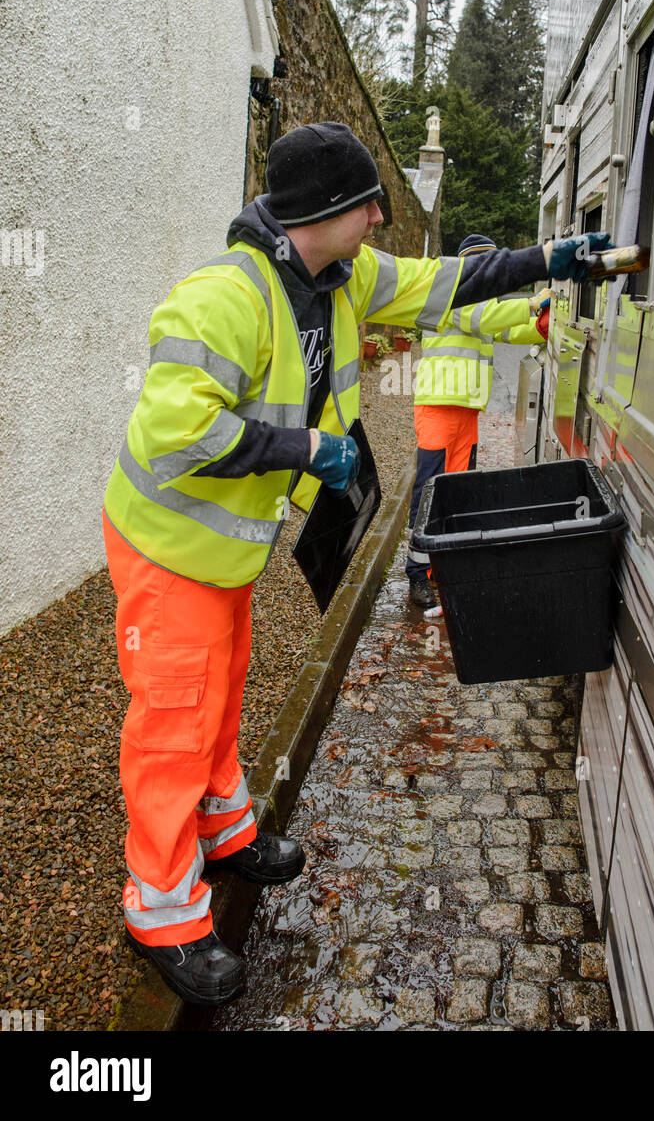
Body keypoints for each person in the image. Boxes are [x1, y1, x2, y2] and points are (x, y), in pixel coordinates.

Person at [101, 120, 608, 1005]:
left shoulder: (343, 277)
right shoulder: (222, 296)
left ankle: (224, 834)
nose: (381, 216)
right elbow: (174, 434)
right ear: (324, 211)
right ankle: (161, 909)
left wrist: (551, 258)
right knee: (173, 720)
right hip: (167, 546)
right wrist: (304, 449)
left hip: (221, 549)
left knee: (219, 693)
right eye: (368, 203)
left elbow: (449, 281)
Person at [405, 233, 550, 608]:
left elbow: (506, 329)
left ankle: (445, 565)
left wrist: (540, 326)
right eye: (479, 264)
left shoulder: (484, 307)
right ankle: (418, 574)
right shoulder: (451, 297)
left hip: (467, 412)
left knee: (457, 491)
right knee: (428, 493)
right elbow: (484, 318)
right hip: (437, 409)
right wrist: (531, 303)